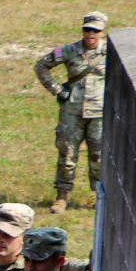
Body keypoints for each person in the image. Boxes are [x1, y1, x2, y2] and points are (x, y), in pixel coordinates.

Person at [34, 12, 108, 214]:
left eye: (95, 30)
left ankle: (99, 197)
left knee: (99, 158)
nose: (90, 34)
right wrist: (57, 90)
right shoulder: (69, 50)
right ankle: (62, 197)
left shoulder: (112, 53)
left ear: (102, 32)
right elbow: (41, 66)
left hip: (99, 114)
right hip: (72, 113)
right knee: (67, 154)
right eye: (87, 29)